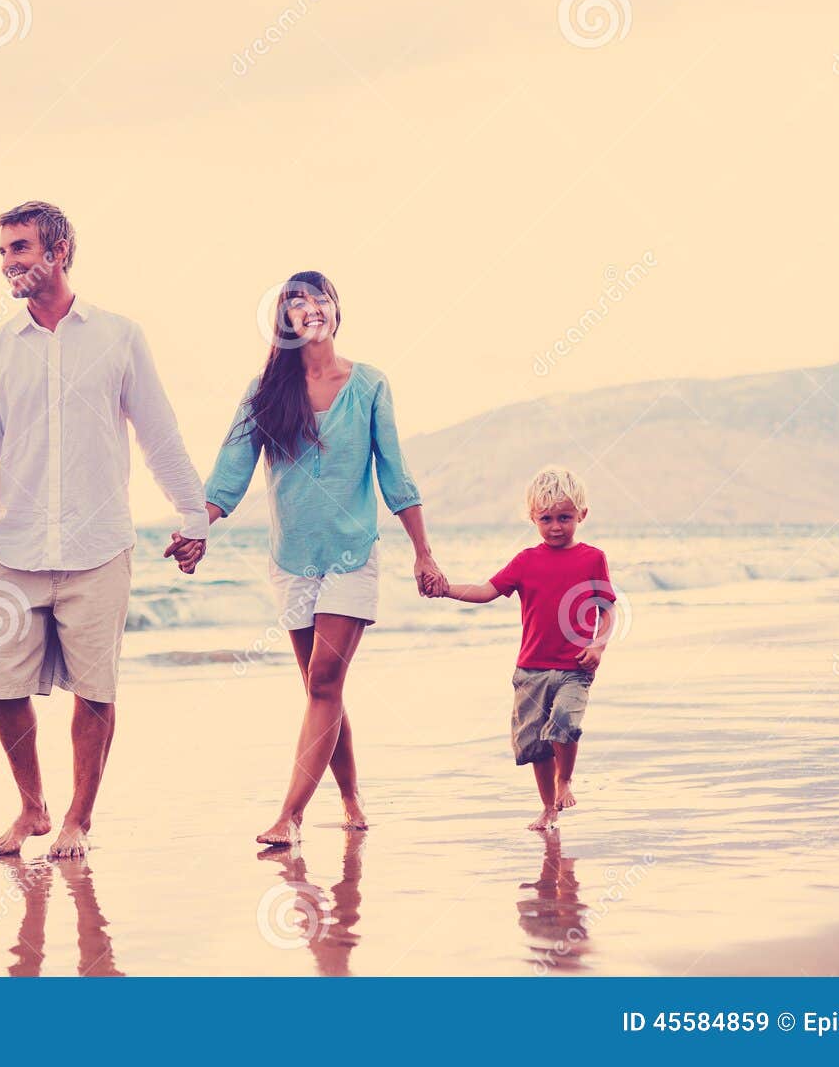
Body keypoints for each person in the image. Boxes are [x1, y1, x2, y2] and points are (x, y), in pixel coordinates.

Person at [0, 200, 209, 860]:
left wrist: (192, 514)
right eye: (2, 251)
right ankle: (33, 808)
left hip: (99, 546)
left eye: (20, 248)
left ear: (59, 250)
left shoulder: (119, 336)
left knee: (96, 689)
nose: (8, 263)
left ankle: (78, 820)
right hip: (16, 546)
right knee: (1, 687)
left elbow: (158, 430)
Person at [203, 271, 446, 847]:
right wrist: (197, 529)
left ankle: (290, 815)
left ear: (337, 311)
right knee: (322, 689)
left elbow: (395, 470)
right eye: (294, 301)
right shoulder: (265, 392)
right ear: (283, 322)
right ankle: (350, 794)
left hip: (351, 554)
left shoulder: (370, 385)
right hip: (291, 560)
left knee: (324, 683)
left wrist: (423, 553)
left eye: (318, 297)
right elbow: (230, 469)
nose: (308, 307)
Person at [434, 467, 616, 831]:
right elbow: (486, 591)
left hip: (574, 668)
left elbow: (607, 608)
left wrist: (598, 645)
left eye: (564, 517)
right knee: (534, 743)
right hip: (530, 669)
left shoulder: (592, 558)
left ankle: (565, 780)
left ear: (582, 514)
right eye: (545, 519)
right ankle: (548, 808)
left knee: (564, 723)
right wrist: (446, 588)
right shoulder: (525, 561)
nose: (555, 527)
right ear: (532, 517)